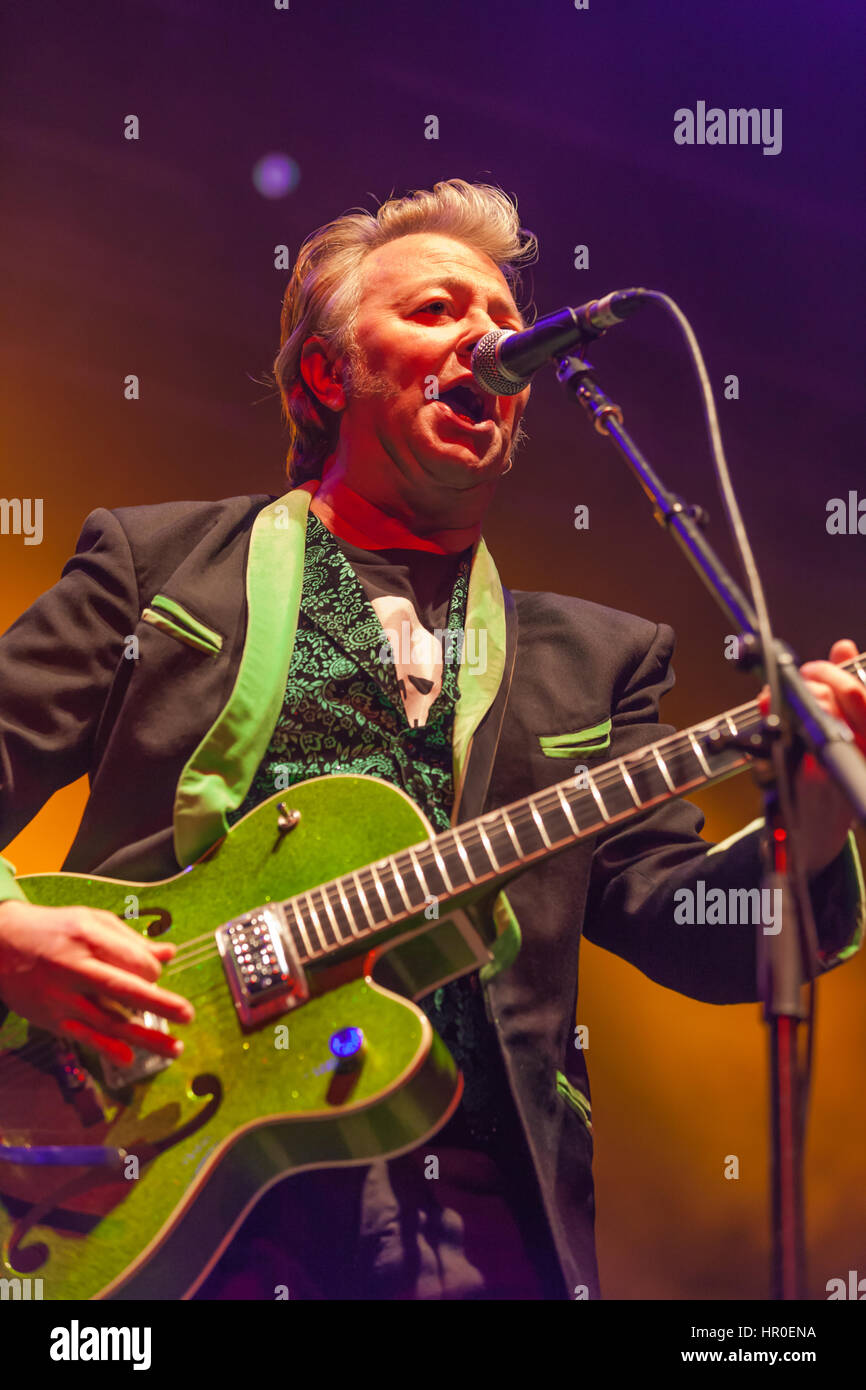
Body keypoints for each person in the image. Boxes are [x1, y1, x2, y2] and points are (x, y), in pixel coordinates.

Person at [0, 179, 863, 1301]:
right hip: (150, 1150)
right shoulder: (158, 565)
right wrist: (9, 936)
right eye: (435, 311)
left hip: (469, 1207)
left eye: (503, 321)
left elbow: (689, 928)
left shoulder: (595, 660)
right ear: (327, 374)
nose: (488, 341)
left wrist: (812, 815)